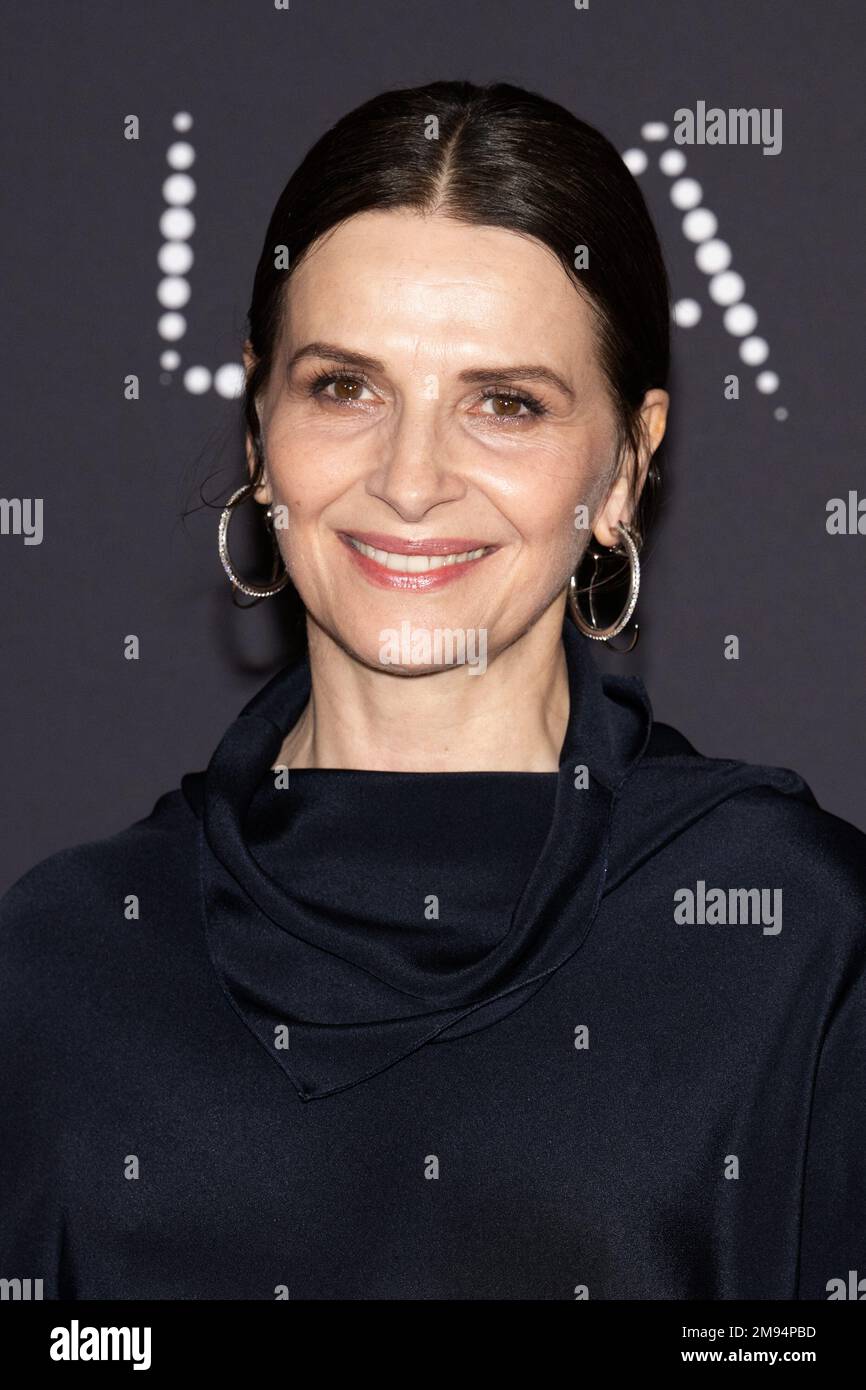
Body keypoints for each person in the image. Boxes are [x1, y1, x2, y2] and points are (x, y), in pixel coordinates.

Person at [1, 80, 863, 1301]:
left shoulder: (794, 941)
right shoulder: (66, 957)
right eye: (344, 387)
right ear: (261, 428)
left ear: (623, 465)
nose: (411, 481)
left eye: (503, 404)